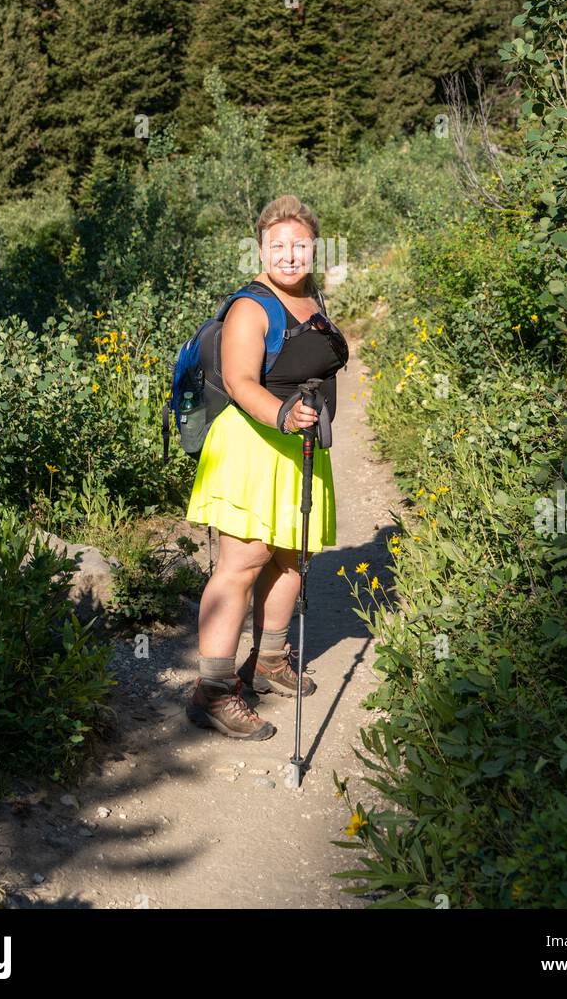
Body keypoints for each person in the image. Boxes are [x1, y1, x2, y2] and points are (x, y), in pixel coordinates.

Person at [185, 194, 349, 739]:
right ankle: (211, 690)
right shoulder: (250, 307)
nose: (289, 254)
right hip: (254, 447)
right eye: (277, 245)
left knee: (292, 555)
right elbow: (239, 381)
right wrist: (282, 414)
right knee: (244, 562)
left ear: (314, 248)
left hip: (301, 449)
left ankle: (270, 661)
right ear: (259, 250)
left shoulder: (311, 298)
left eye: (299, 244)